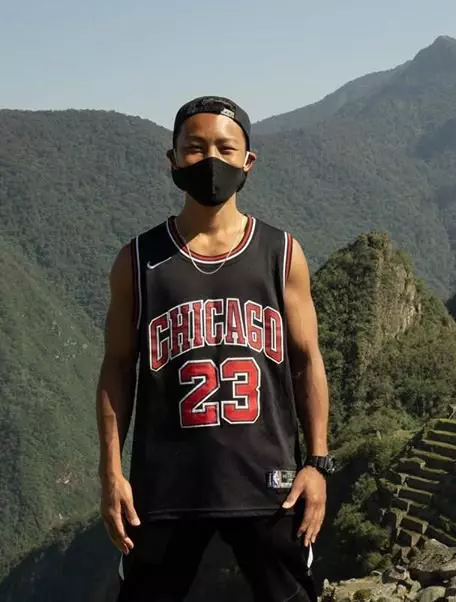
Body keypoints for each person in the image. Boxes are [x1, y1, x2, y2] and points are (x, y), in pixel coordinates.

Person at [95, 95, 334, 601]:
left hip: (270, 486)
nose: (210, 162)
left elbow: (307, 361)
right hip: (164, 491)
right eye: (195, 148)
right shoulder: (138, 261)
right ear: (173, 159)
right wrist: (110, 471)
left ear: (248, 162)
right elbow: (118, 368)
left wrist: (317, 462)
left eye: (226, 149)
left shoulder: (281, 255)